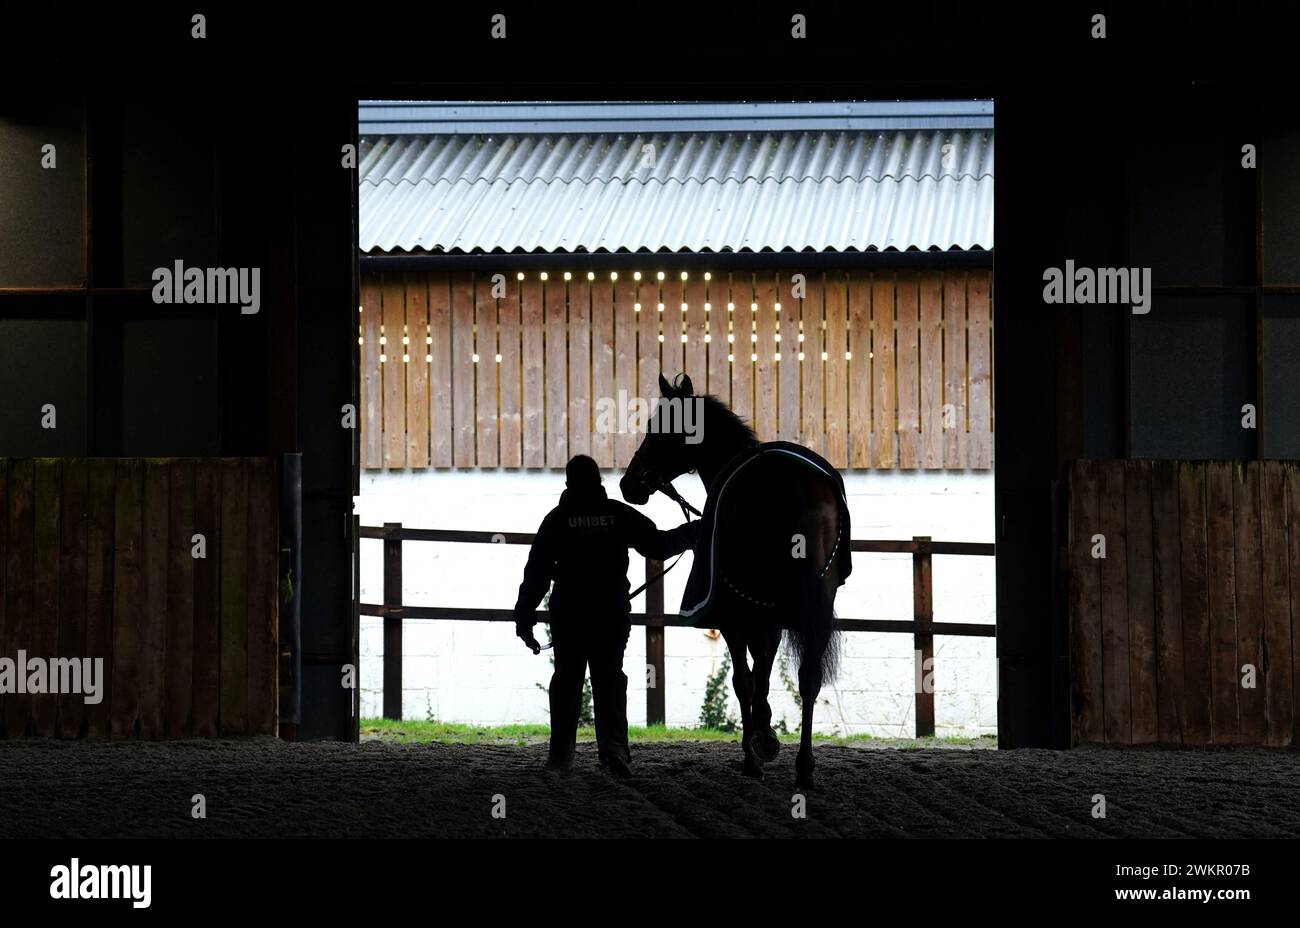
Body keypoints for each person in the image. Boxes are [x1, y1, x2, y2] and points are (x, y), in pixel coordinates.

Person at [513, 454, 699, 777]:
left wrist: (524, 619)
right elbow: (658, 544)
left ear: (569, 483)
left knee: (567, 681)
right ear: (600, 482)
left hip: (569, 616)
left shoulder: (556, 521)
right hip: (610, 615)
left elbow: (536, 575)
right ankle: (614, 751)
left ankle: (560, 757)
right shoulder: (617, 515)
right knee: (610, 680)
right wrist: (696, 531)